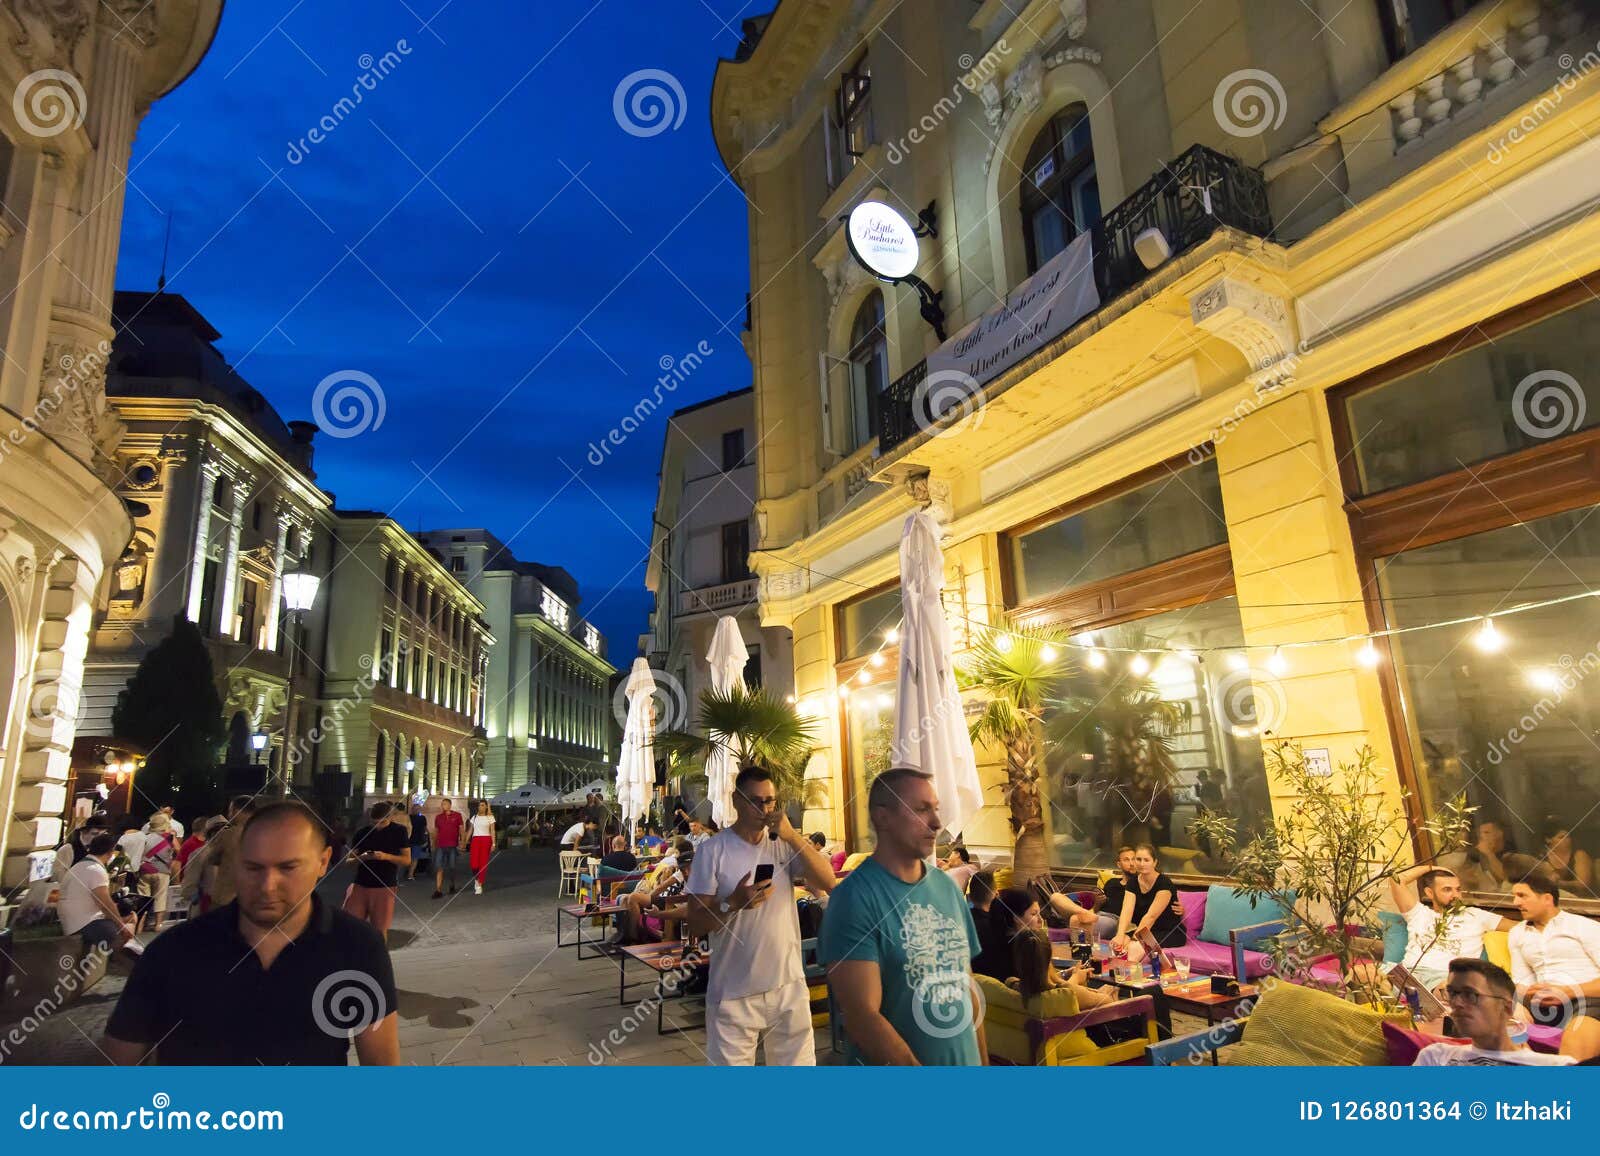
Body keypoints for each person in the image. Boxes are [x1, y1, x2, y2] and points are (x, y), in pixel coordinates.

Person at [103, 802, 399, 1065]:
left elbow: (382, 1069)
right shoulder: (173, 951)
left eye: (288, 868)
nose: (267, 885)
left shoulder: (357, 947)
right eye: (253, 868)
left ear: (323, 862)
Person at [819, 767, 987, 1066]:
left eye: (936, 809)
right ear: (882, 817)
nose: (936, 823)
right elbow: (862, 1017)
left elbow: (968, 989)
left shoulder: (946, 888)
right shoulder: (854, 899)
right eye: (922, 810)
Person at [686, 765, 837, 1065]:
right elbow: (696, 921)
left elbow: (827, 881)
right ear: (736, 801)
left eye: (770, 801)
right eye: (756, 800)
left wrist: (793, 837)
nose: (764, 808)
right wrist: (733, 903)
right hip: (733, 994)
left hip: (788, 987)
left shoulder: (783, 843)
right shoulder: (713, 851)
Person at [1507, 874, 1600, 1061]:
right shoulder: (1517, 933)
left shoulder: (1584, 927)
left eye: (1522, 896)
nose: (1516, 902)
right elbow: (1520, 980)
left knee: (1578, 1034)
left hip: (1586, 998)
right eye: (1514, 896)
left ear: (1547, 899)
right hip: (1541, 1002)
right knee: (1503, 1023)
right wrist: (1520, 1002)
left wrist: (1567, 991)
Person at [1414, 959, 1575, 1066]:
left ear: (1507, 1008)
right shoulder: (1435, 1057)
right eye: (1452, 994)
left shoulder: (1557, 1066)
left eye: (1470, 995)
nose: (1456, 1003)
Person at [1389, 864, 1515, 992]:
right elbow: (1396, 879)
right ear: (1429, 893)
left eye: (1458, 889)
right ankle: (1411, 997)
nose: (1456, 895)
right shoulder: (1418, 913)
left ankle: (1422, 1000)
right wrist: (1431, 868)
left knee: (1446, 989)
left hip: (1443, 977)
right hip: (1407, 971)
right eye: (1447, 889)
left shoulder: (1476, 915)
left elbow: (1519, 928)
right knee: (1371, 973)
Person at [58, 832, 135, 956]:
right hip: (83, 923)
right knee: (125, 934)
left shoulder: (81, 865)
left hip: (76, 920)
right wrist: (121, 925)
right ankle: (125, 964)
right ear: (110, 852)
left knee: (130, 918)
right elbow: (105, 903)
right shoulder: (95, 870)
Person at [344, 802, 411, 940]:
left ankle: (379, 960)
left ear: (390, 817)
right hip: (360, 885)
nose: (377, 826)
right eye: (374, 823)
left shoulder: (399, 831)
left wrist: (385, 856)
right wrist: (362, 858)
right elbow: (348, 862)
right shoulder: (362, 833)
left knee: (379, 931)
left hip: (385, 886)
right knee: (351, 927)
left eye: (382, 822)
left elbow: (406, 860)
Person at [1112, 844, 1186, 963]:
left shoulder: (1164, 884)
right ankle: (1115, 976)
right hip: (1147, 930)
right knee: (1117, 944)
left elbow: (1150, 917)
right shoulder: (1132, 883)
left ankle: (1129, 979)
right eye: (1138, 859)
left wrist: (1135, 939)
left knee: (1134, 947)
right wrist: (1120, 935)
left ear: (1154, 862)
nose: (1142, 863)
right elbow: (1126, 911)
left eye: (1146, 860)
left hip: (1169, 932)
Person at [138, 812, 179, 931]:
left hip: (145, 869)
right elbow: (178, 849)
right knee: (160, 897)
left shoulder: (144, 837)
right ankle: (158, 924)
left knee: (143, 897)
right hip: (163, 870)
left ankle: (140, 923)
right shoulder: (169, 837)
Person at [1537, 823, 1594, 894]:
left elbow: (1583, 884)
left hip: (1577, 899)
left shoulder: (1579, 855)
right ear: (1548, 840)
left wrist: (1557, 883)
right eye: (1561, 837)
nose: (1567, 840)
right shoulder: (1541, 856)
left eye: (1568, 837)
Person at [431, 798, 465, 899]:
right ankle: (438, 890)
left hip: (452, 845)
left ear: (450, 805)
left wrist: (463, 842)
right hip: (441, 845)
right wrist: (433, 843)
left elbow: (462, 830)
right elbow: (436, 831)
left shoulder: (457, 815)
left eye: (445, 804)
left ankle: (452, 884)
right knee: (439, 867)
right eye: (442, 804)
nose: (443, 806)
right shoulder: (438, 817)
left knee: (452, 867)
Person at [466, 800, 495, 894]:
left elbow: (492, 831)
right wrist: (465, 841)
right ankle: (476, 879)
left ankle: (479, 883)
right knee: (474, 863)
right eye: (479, 805)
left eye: (482, 805)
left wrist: (493, 843)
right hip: (475, 840)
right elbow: (470, 830)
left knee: (483, 862)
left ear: (486, 807)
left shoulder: (490, 817)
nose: (480, 807)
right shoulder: (474, 817)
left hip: (486, 840)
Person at [406, 802, 430, 880]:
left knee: (413, 858)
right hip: (413, 840)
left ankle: (410, 874)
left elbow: (425, 829)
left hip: (415, 840)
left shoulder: (420, 818)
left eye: (417, 809)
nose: (416, 810)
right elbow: (425, 829)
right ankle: (410, 874)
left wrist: (426, 838)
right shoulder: (415, 818)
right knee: (413, 858)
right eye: (415, 808)